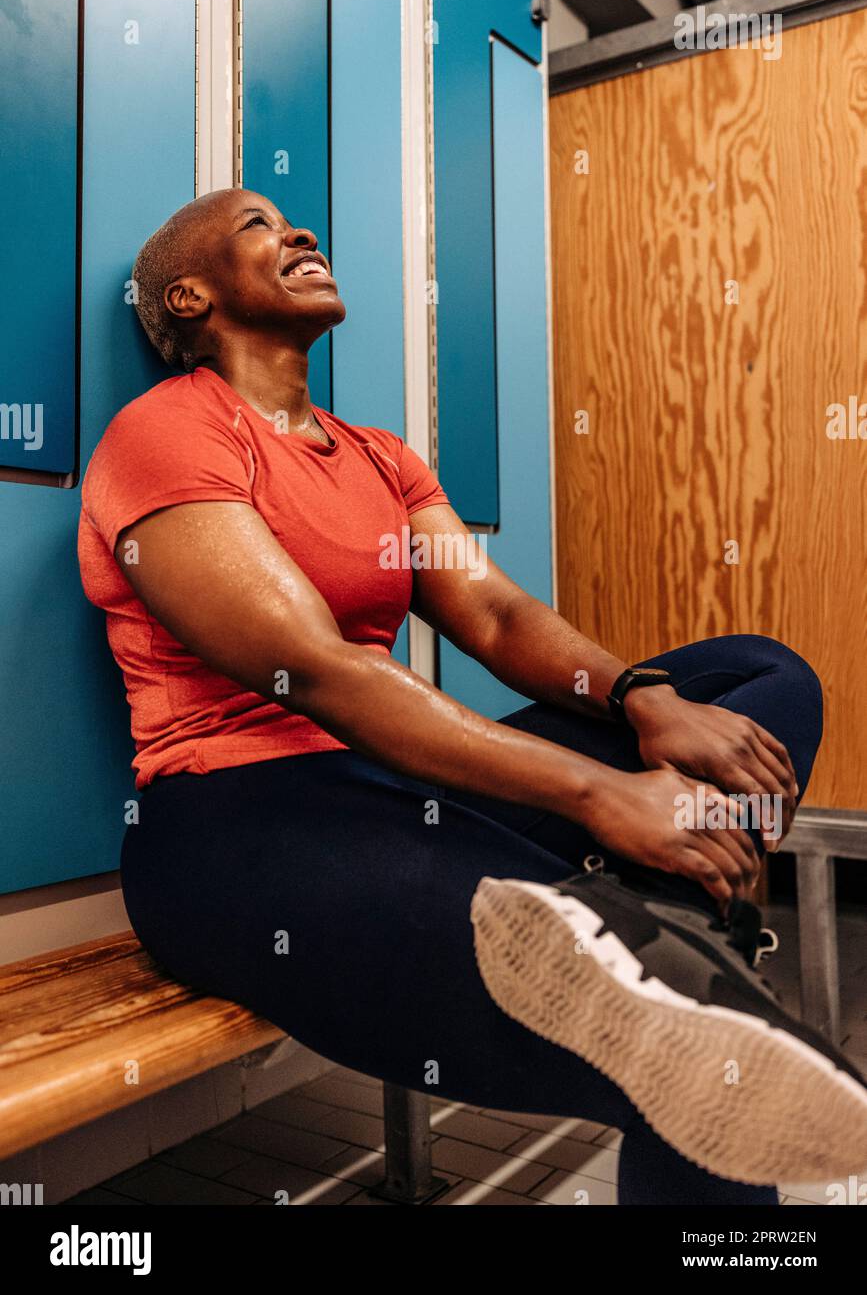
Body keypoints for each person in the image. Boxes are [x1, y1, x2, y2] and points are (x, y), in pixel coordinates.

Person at [77, 187, 863, 1205]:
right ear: (188, 295)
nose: (303, 231)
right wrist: (597, 792)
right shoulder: (167, 432)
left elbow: (492, 617)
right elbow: (313, 668)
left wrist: (636, 696)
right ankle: (644, 933)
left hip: (394, 784)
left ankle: (634, 915)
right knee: (699, 1055)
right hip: (236, 823)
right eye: (258, 226)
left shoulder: (378, 456)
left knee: (757, 675)